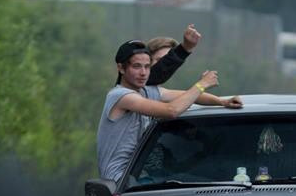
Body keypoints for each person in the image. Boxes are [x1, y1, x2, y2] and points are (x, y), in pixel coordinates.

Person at [97, 40, 242, 183]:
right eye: (137, 66)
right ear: (121, 68)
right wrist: (202, 84)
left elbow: (189, 96)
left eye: (147, 67)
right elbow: (172, 110)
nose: (143, 73)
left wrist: (222, 101)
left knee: (200, 182)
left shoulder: (146, 91)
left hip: (139, 175)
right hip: (119, 181)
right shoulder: (120, 96)